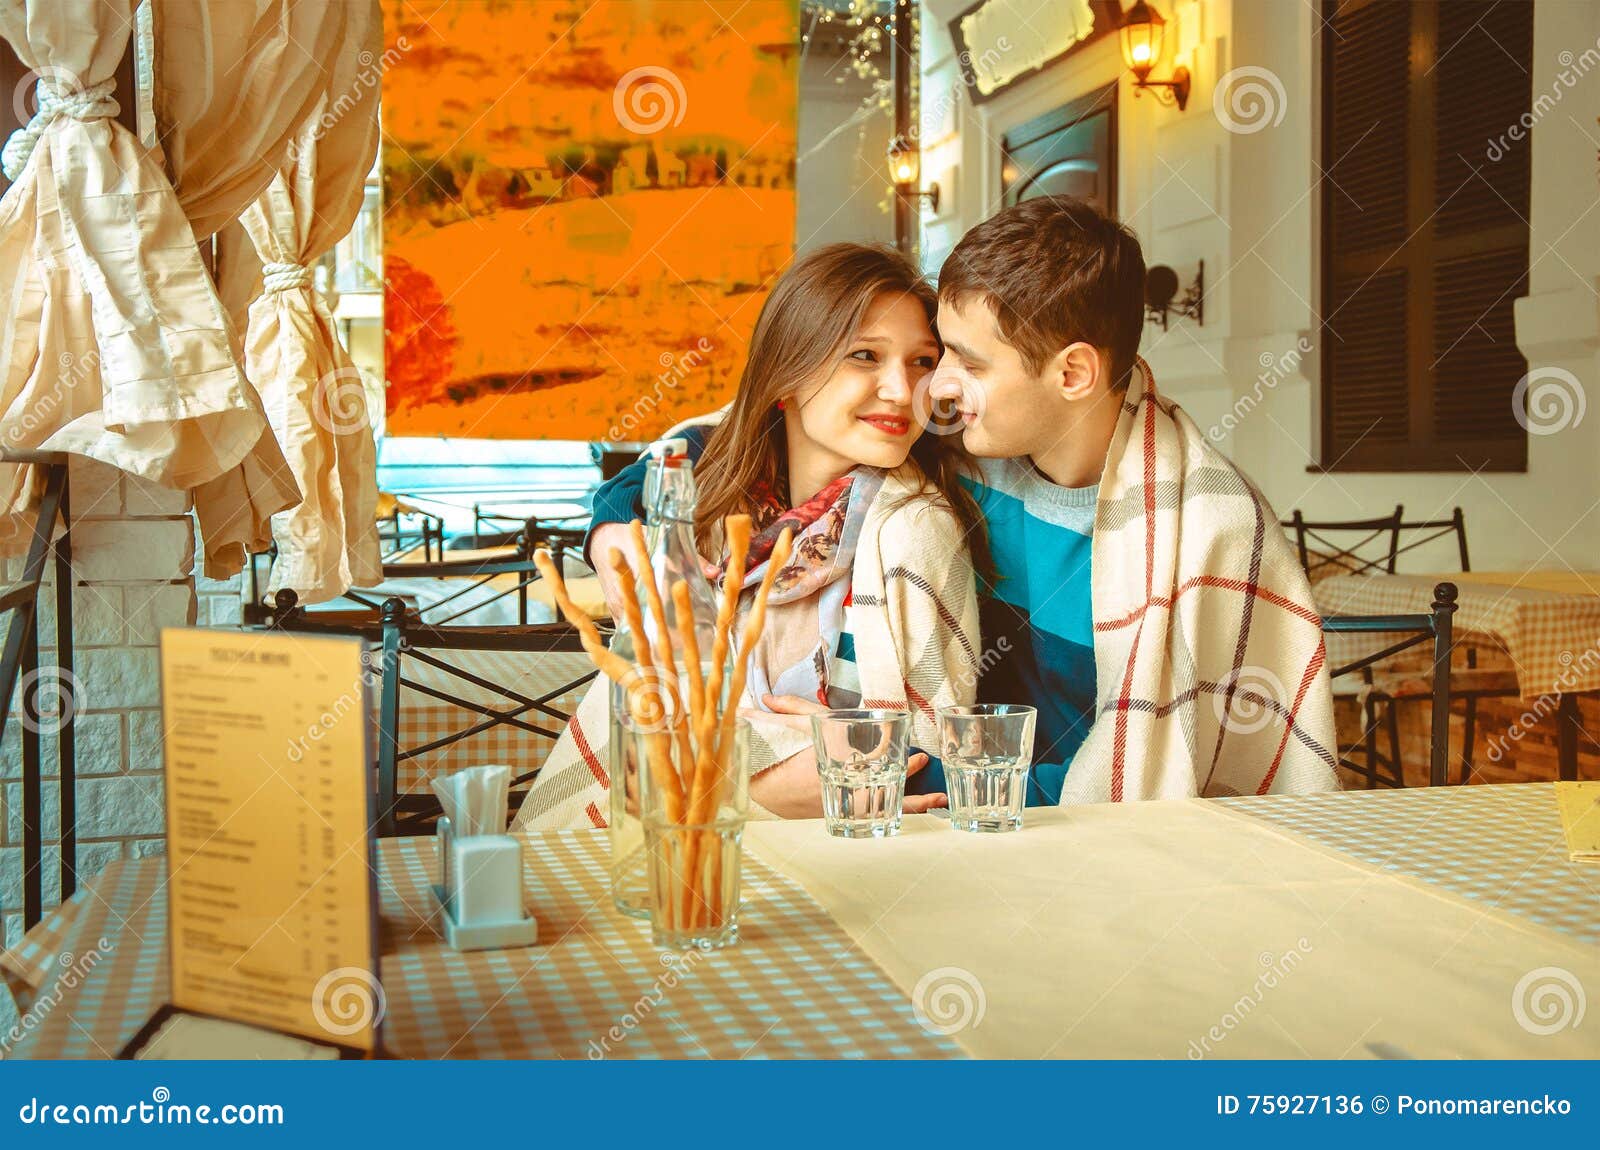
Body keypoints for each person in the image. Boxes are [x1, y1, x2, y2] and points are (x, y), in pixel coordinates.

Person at [586, 196, 1339, 805]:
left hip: (1080, 853)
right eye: (936, 353)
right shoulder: (962, 453)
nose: (931, 387)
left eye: (959, 360)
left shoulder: (1206, 529)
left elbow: (1180, 781)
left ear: (1073, 374)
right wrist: (612, 518)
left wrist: (865, 760)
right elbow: (740, 427)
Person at [513, 243, 982, 829]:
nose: (900, 389)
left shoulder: (919, 531)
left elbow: (947, 751)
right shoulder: (708, 507)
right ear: (785, 378)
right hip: (685, 845)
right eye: (865, 355)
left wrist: (839, 763)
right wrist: (751, 778)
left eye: (922, 362)